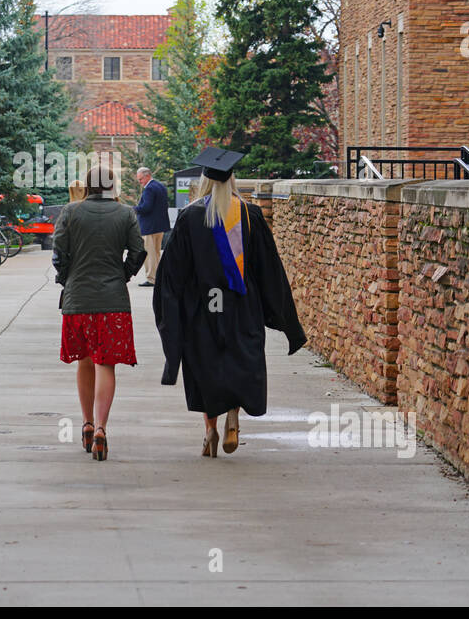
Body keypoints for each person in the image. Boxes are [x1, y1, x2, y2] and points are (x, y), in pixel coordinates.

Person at [153, 147, 306, 458]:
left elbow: (173, 275)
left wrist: (172, 314)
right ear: (232, 179)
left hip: (203, 308)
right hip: (241, 305)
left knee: (205, 367)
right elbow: (270, 270)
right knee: (237, 361)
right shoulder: (250, 216)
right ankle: (233, 416)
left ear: (204, 182)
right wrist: (286, 320)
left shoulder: (190, 217)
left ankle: (210, 429)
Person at [53, 164, 145, 461]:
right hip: (113, 300)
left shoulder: (70, 212)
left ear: (89, 186)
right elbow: (138, 251)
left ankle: (87, 423)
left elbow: (59, 252)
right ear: (112, 186)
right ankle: (103, 427)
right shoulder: (126, 213)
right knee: (107, 364)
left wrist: (66, 277)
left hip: (78, 299)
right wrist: (124, 274)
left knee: (84, 361)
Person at [133, 167, 170, 287]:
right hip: (160, 226)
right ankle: (158, 277)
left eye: (140, 179)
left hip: (149, 227)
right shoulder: (161, 186)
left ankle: (151, 278)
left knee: (149, 254)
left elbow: (146, 208)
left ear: (147, 176)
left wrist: (133, 209)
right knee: (156, 253)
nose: (139, 182)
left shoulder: (149, 189)